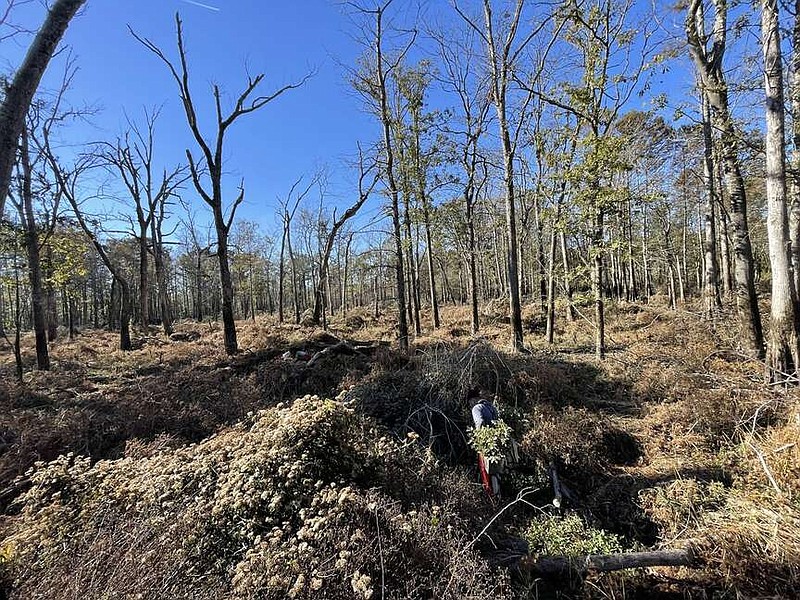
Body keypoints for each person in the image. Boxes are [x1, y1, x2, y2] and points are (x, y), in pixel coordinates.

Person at [468, 387, 501, 497]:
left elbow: (480, 422)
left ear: (473, 400)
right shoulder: (492, 407)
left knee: (484, 470)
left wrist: (478, 437)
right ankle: (498, 494)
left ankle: (490, 497)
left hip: (484, 442)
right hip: (496, 442)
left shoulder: (476, 408)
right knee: (495, 471)